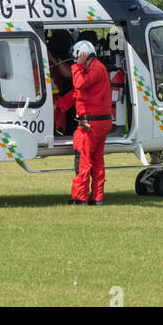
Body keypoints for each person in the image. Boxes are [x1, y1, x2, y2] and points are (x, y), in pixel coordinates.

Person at [63, 40, 113, 205]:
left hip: (91, 124)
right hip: (101, 122)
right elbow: (80, 92)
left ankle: (80, 197)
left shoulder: (94, 69)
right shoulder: (98, 68)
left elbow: (79, 83)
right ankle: (97, 197)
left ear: (82, 54)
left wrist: (78, 65)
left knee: (83, 159)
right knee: (98, 160)